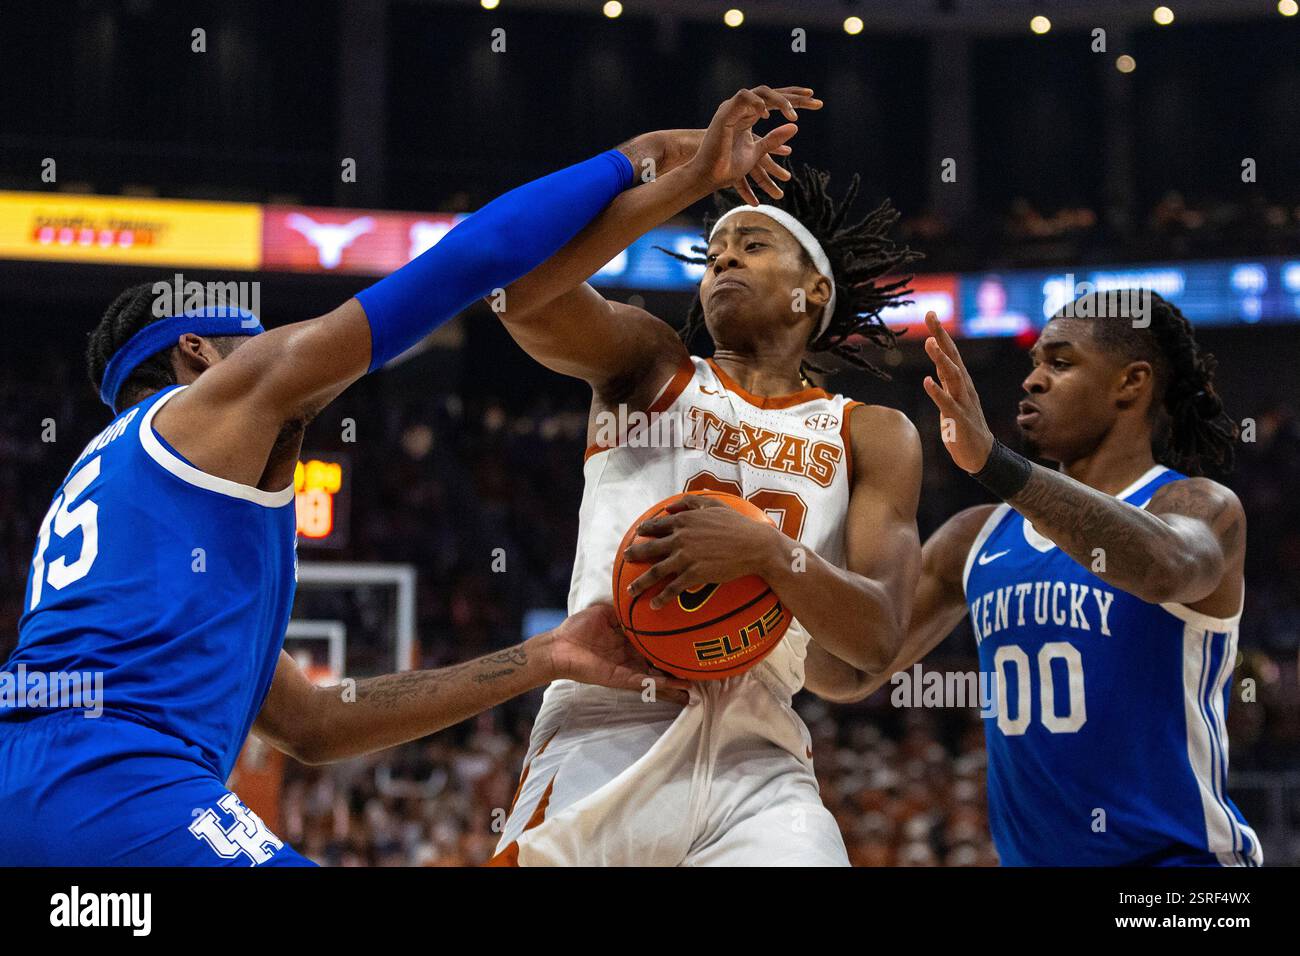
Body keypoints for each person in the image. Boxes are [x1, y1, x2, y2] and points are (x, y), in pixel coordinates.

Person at [0, 118, 782, 864]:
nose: (278, 346)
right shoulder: (217, 404)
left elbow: (309, 725)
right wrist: (634, 158)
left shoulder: (112, 489)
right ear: (198, 352)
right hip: (112, 783)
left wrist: (545, 655)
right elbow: (471, 262)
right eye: (251, 335)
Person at [487, 85, 925, 865]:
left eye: (751, 245)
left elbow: (877, 637)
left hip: (760, 770)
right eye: (715, 252)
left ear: (812, 290)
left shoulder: (871, 433)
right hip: (605, 726)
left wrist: (769, 554)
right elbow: (522, 293)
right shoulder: (649, 366)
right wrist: (686, 180)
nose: (724, 258)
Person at [847, 295, 1261, 866]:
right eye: (1034, 363)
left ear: (1130, 383)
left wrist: (994, 464)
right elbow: (846, 669)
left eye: (1060, 363)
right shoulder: (975, 535)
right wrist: (781, 548)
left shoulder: (1198, 506)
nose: (1033, 381)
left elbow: (1162, 567)